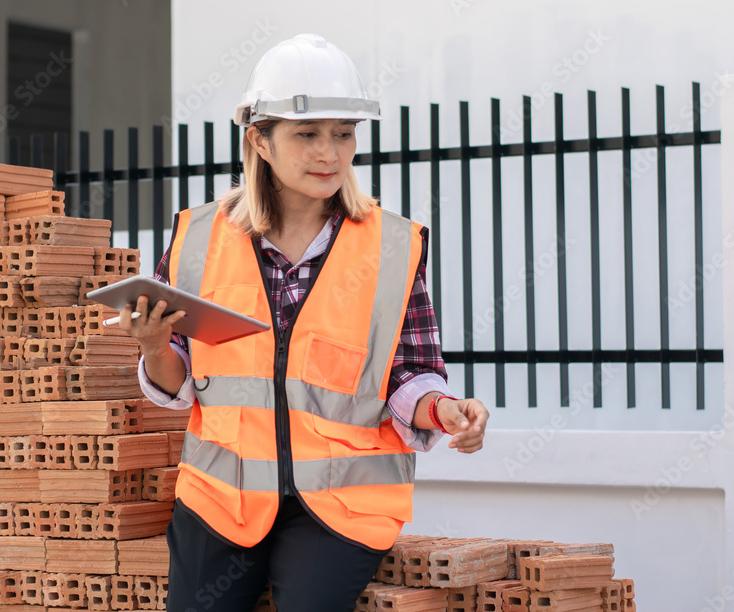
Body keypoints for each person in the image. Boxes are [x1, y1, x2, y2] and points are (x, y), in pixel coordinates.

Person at [121, 33, 490, 612]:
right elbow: (181, 379)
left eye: (344, 134)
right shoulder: (198, 240)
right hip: (223, 496)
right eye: (308, 134)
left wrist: (443, 409)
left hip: (341, 503)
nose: (330, 154)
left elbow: (409, 373)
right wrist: (154, 348)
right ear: (260, 141)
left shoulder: (391, 247)